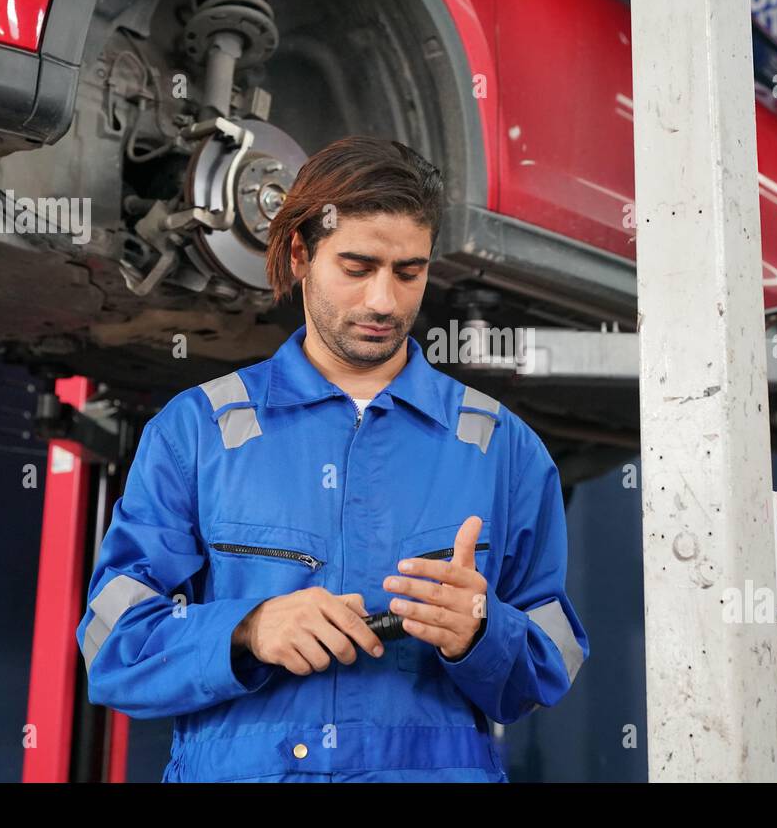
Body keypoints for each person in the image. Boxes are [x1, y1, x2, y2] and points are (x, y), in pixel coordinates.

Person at [76, 136, 589, 782]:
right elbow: (112, 646)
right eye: (357, 266)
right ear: (300, 254)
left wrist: (481, 633)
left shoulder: (501, 448)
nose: (384, 301)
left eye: (409, 272)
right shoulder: (197, 433)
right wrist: (247, 630)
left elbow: (553, 660)